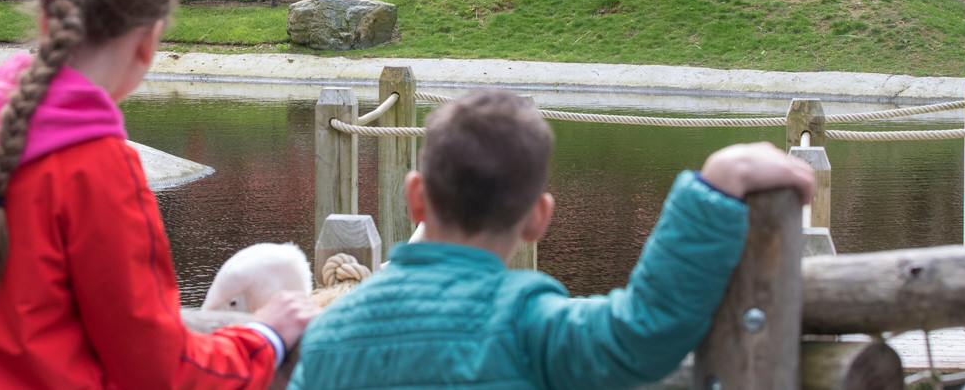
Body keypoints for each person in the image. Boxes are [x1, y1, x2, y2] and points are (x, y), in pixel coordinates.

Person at [0, 0, 317, 390]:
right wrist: (264, 337)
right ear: (147, 42)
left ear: (47, 19)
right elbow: (158, 372)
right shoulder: (96, 167)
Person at [288, 89, 815, 390]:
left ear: (415, 199)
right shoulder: (528, 324)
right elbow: (644, 330)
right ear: (538, 219)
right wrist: (713, 188)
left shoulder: (329, 335)